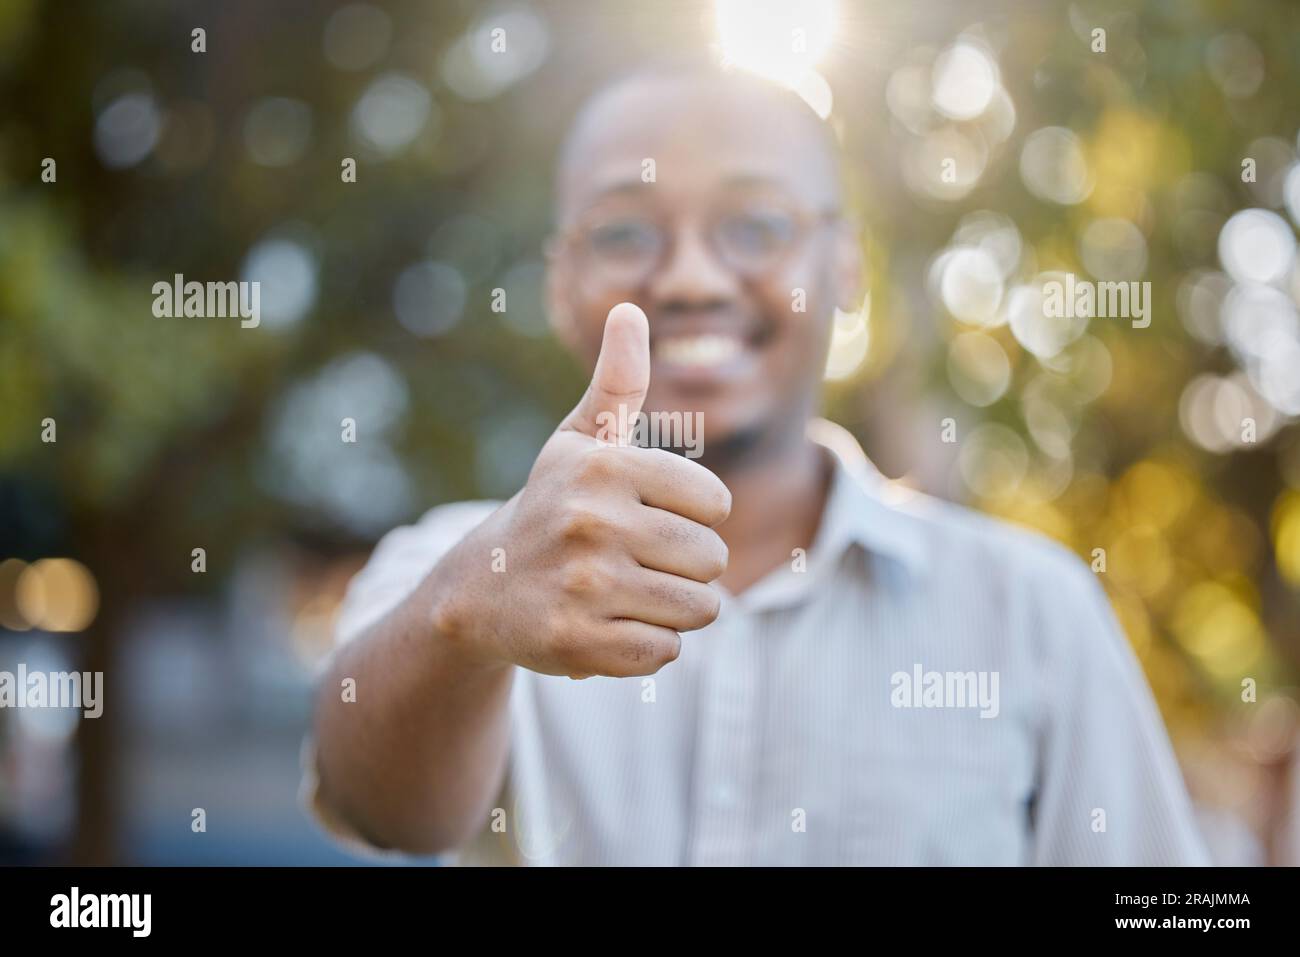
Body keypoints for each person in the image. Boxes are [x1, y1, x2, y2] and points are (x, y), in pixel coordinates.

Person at [302, 64, 1209, 866]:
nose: (693, 277)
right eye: (624, 232)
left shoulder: (1032, 610)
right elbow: (377, 806)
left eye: (757, 223)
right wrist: (467, 617)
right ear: (559, 280)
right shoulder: (459, 565)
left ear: (846, 265)